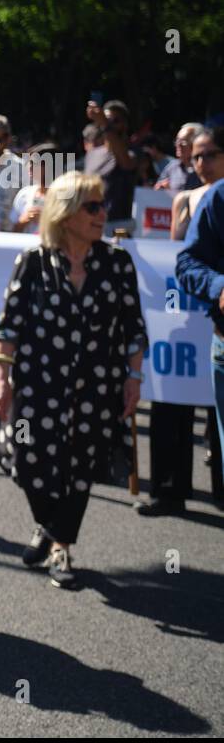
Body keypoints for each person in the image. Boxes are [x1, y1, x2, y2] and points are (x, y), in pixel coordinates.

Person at [0, 172, 147, 588]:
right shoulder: (33, 261)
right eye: (92, 206)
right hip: (38, 385)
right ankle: (46, 522)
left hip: (98, 387)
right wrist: (0, 379)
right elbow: (9, 326)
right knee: (28, 461)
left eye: (102, 206)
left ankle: (60, 544)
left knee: (80, 468)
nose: (102, 214)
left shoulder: (117, 263)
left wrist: (133, 377)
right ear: (66, 212)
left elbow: (133, 328)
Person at [146, 128, 224, 517]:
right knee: (172, 401)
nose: (201, 163)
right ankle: (168, 489)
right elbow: (180, 257)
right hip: (182, 316)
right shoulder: (194, 200)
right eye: (196, 156)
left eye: (209, 155)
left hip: (209, 321)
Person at [83, 99, 138, 223]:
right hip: (92, 223)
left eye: (115, 121)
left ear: (125, 125)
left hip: (119, 227)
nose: (110, 124)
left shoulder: (132, 152)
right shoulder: (93, 154)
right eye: (107, 120)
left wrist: (105, 124)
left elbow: (126, 163)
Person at [8, 142, 60, 234]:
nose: (30, 166)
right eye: (29, 162)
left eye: (35, 162)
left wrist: (46, 221)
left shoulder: (64, 198)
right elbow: (12, 232)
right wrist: (22, 221)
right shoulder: (24, 194)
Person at [157, 122, 205, 194]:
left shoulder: (205, 168)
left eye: (183, 141)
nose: (178, 144)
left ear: (196, 143)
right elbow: (156, 189)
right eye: (177, 140)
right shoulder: (172, 167)